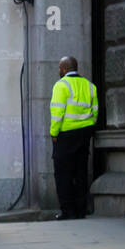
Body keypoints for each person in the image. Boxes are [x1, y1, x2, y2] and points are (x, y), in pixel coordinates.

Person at [50, 55, 98, 220]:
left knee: (63, 174)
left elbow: (57, 112)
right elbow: (95, 111)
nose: (58, 70)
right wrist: (88, 127)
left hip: (65, 134)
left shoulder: (61, 86)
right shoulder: (90, 86)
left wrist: (54, 133)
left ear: (64, 69)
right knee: (81, 172)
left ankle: (67, 211)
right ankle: (80, 210)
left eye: (59, 67)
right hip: (84, 134)